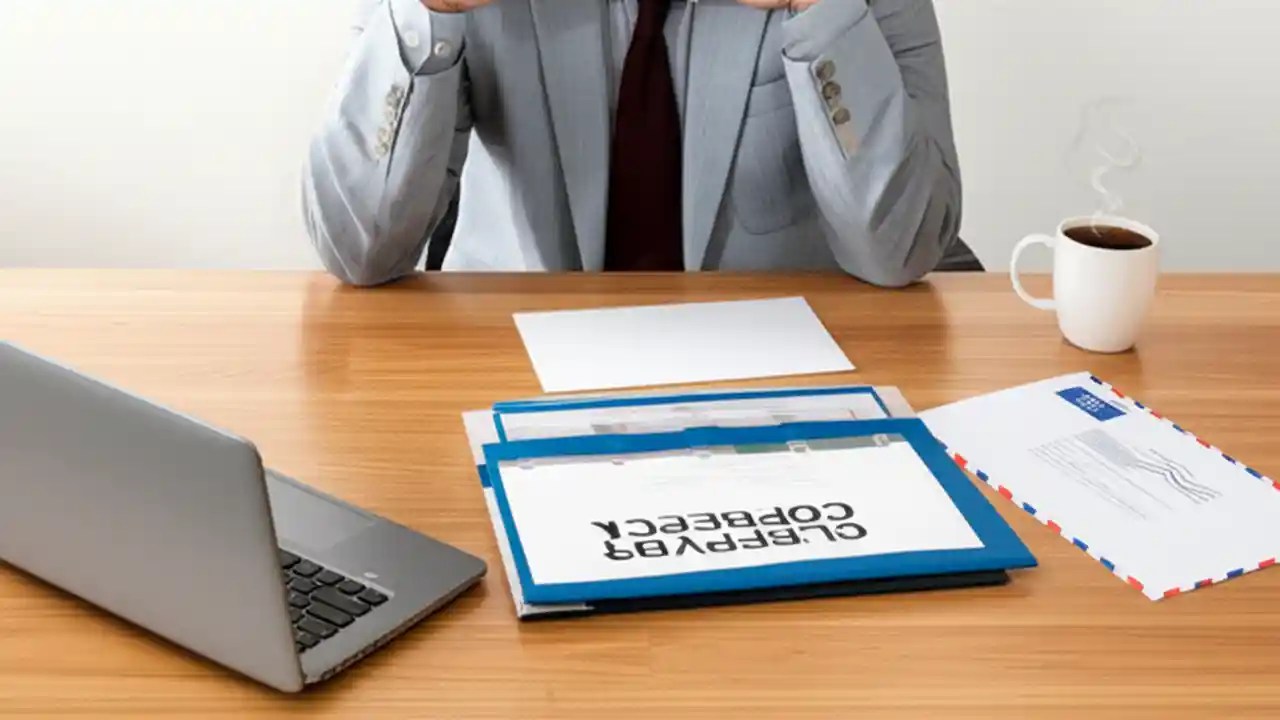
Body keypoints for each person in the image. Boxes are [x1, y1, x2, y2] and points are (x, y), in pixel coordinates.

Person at [303, 0, 978, 287]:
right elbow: (357, 252)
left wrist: (820, 9)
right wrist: (429, 13)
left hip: (777, 379)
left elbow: (903, 251)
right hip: (509, 369)